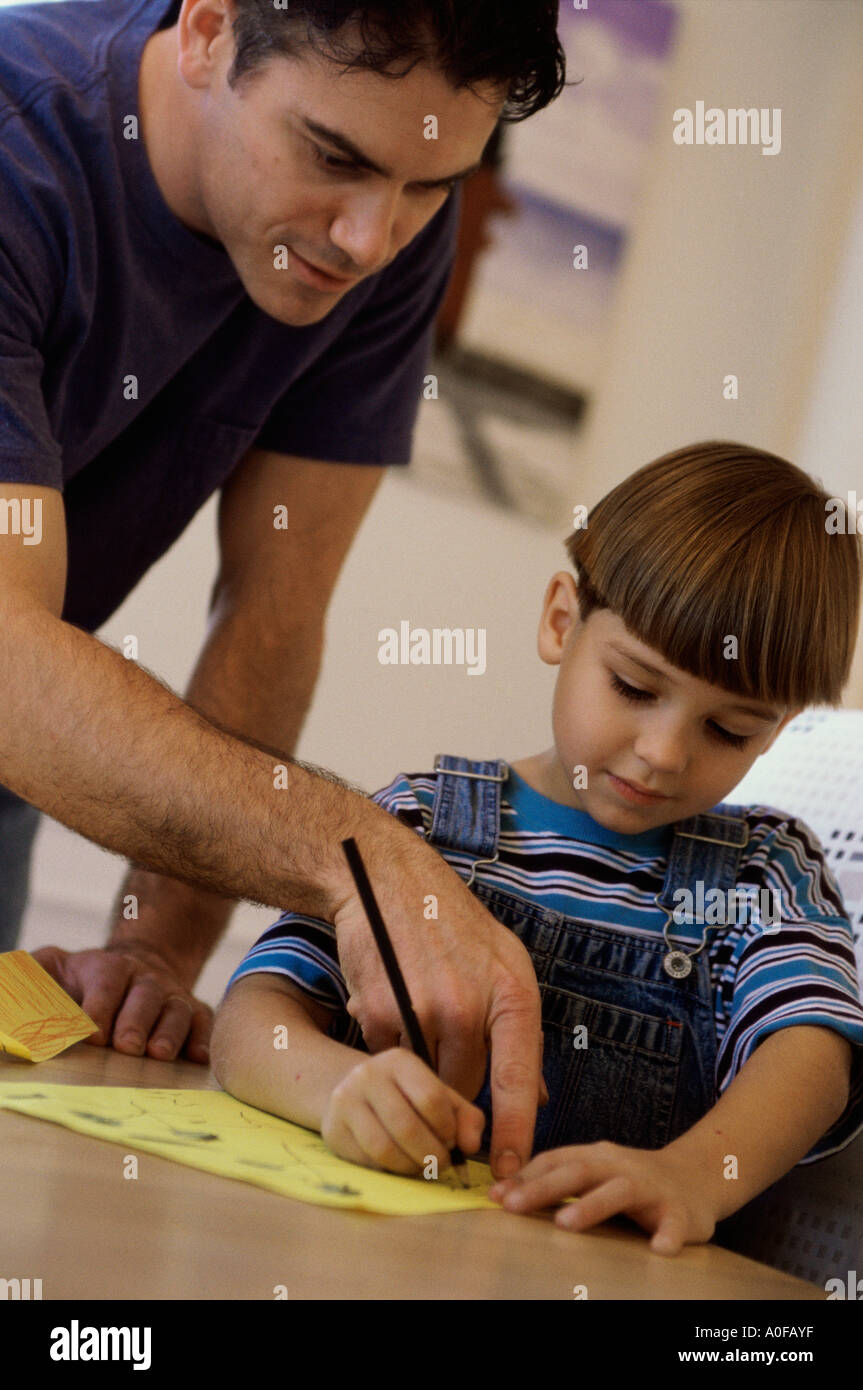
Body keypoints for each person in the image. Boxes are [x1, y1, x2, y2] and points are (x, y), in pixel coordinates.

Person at [0, 0, 567, 1179]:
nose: (370, 239)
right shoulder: (17, 149)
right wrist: (358, 854)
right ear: (208, 30)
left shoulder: (381, 230)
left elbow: (270, 613)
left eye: (429, 185)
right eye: (334, 158)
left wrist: (153, 952)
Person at [210, 440, 863, 1256]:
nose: (664, 753)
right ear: (562, 621)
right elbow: (249, 1022)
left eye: (729, 729)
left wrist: (694, 1175)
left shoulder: (764, 872)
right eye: (633, 687)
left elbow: (811, 1058)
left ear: (777, 730)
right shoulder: (415, 826)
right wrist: (339, 1090)